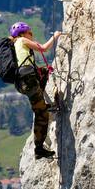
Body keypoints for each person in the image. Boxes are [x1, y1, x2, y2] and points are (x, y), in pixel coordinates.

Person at [10, 21, 62, 158]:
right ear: (22, 33)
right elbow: (44, 48)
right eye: (30, 32)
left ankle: (44, 104)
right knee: (42, 113)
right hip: (29, 79)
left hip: (23, 80)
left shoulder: (15, 45)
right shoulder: (22, 40)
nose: (31, 35)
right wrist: (55, 36)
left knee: (44, 72)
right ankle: (38, 149)